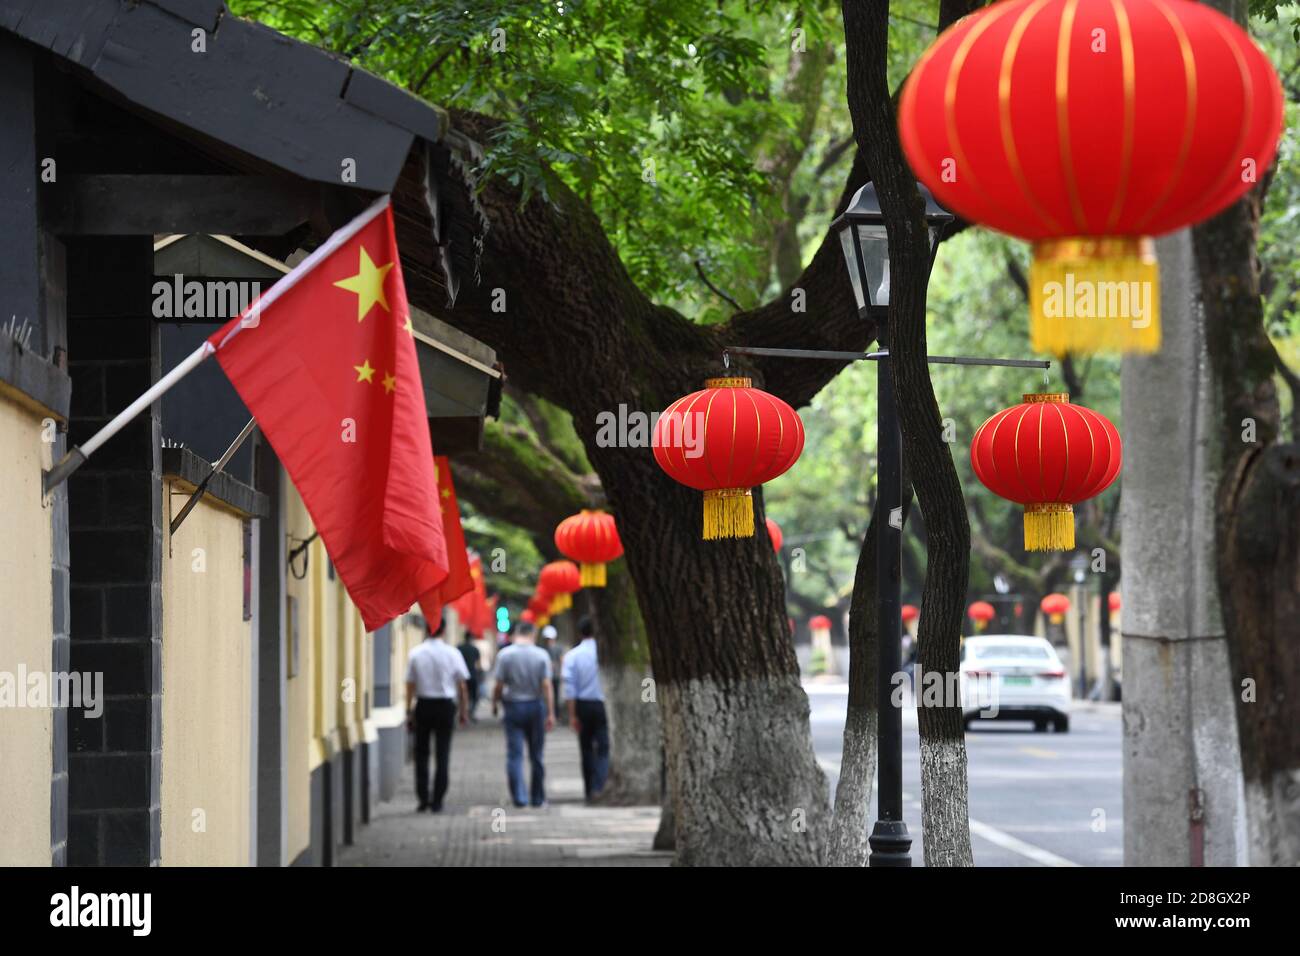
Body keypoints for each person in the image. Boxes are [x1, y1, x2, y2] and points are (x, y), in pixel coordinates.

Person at [406, 613, 470, 813]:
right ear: (443, 630)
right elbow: (462, 686)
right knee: (443, 754)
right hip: (445, 706)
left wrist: (409, 710)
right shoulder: (452, 653)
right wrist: (463, 711)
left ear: (427, 629)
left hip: (424, 705)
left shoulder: (416, 653)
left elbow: (410, 685)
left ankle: (423, 798)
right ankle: (438, 800)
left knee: (422, 753)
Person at [492, 621, 555, 808]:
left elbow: (499, 685)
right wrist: (551, 712)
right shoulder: (541, 655)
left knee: (514, 755)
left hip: (512, 707)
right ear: (533, 634)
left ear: (517, 634)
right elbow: (546, 686)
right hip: (535, 706)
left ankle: (519, 797)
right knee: (537, 755)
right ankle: (537, 798)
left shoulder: (505, 655)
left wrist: (495, 703)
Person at [561, 617, 609, 802]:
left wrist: (572, 715)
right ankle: (600, 786)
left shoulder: (572, 656)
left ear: (580, 632)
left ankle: (589, 790)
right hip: (602, 705)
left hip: (582, 705)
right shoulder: (605, 653)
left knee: (586, 748)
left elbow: (570, 689)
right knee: (603, 748)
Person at [458, 633, 482, 721]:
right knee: (474, 696)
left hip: (461, 677)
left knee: (462, 695)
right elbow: (478, 664)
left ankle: (463, 713)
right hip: (472, 675)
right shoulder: (475, 649)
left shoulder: (459, 648)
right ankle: (470, 713)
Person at [542, 624, 563, 714]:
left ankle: (556, 714)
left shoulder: (558, 648)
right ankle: (547, 713)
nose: (549, 641)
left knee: (556, 695)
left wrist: (558, 668)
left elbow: (562, 660)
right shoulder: (543, 649)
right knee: (546, 695)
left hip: (555, 675)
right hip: (545, 677)